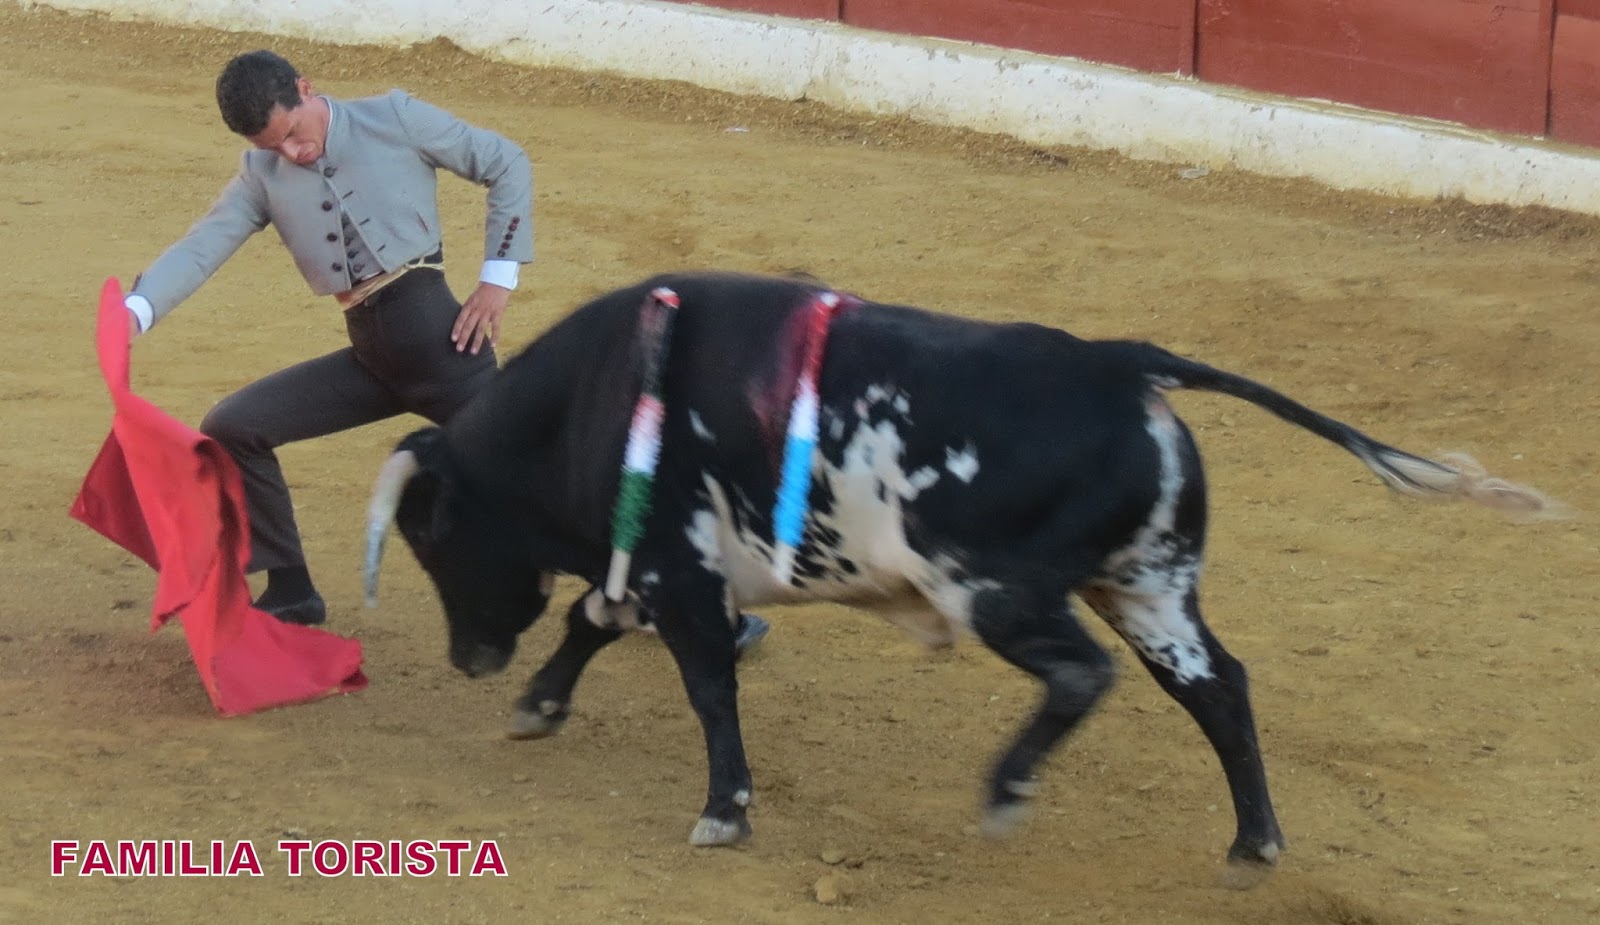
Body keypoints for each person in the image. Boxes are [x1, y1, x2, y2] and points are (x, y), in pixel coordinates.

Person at [122, 50, 768, 653]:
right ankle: (293, 589)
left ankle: (686, 606)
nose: (292, 152)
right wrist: (138, 311)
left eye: (294, 133)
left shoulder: (392, 117)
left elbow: (505, 161)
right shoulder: (261, 172)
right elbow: (204, 245)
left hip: (443, 347)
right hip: (372, 357)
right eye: (274, 147)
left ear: (306, 89)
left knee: (545, 486)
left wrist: (498, 278)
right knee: (235, 426)